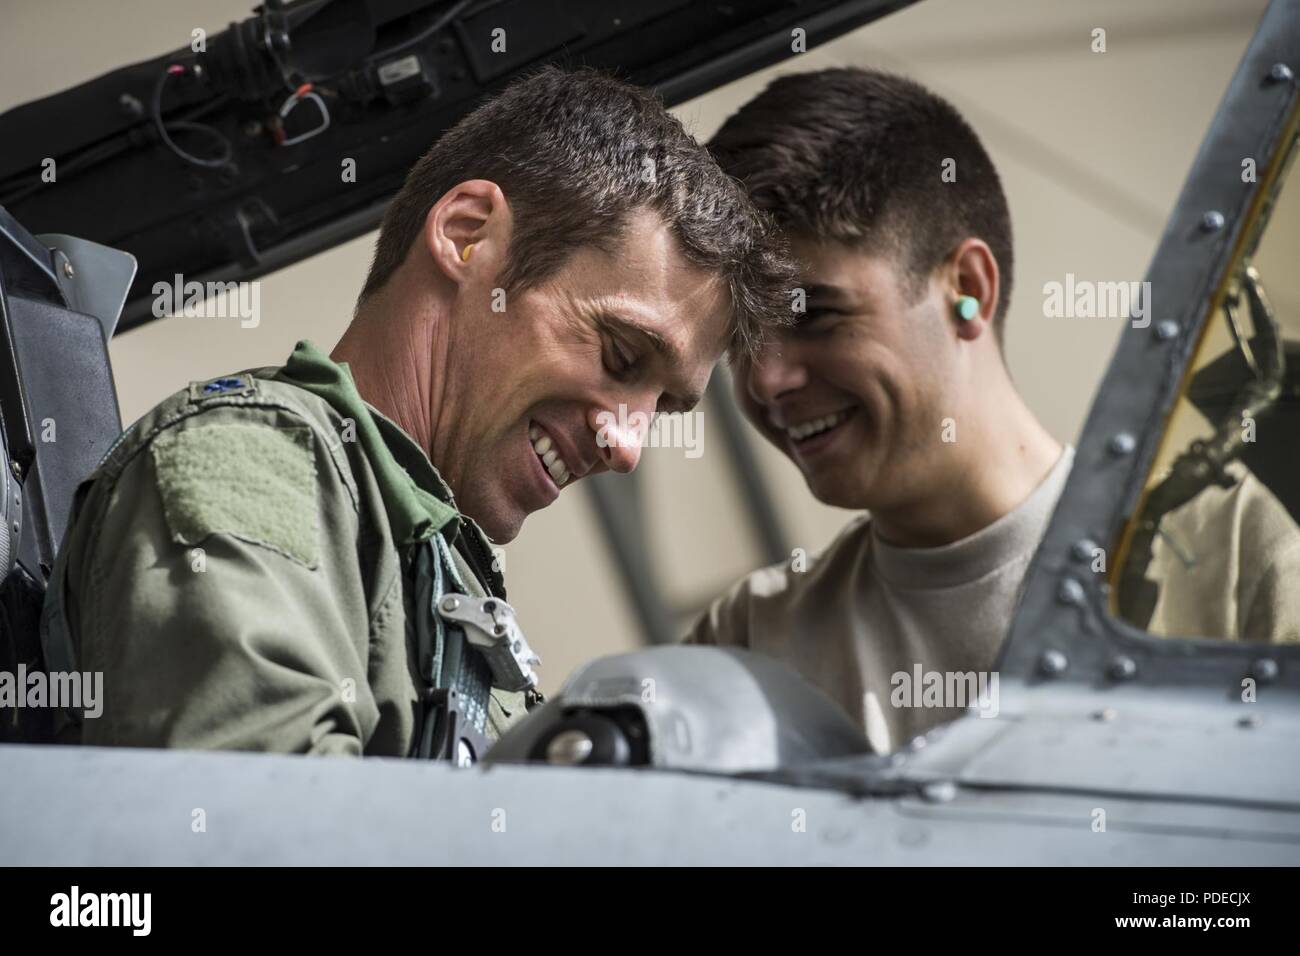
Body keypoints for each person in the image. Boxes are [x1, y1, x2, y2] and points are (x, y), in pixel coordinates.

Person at [41, 66, 792, 757]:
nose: (627, 445)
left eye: (663, 405)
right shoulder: (255, 459)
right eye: (622, 357)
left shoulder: (435, 577)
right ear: (467, 237)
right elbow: (257, 832)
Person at [685, 67, 1070, 753]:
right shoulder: (745, 642)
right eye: (741, 338)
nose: (767, 380)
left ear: (968, 290)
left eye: (816, 315)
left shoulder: (1229, 559)